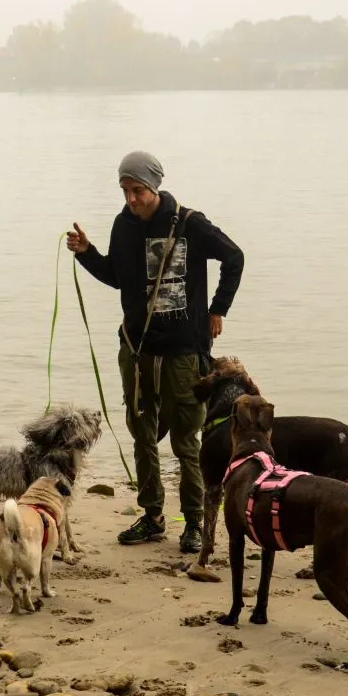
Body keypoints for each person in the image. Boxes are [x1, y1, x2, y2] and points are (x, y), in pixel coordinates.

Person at [67, 151, 245, 553]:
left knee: (186, 440)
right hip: (136, 348)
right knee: (142, 435)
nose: (131, 199)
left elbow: (234, 257)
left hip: (184, 351)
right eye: (126, 190)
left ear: (155, 186)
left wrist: (218, 308)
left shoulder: (189, 223)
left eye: (138, 191)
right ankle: (152, 516)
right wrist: (87, 253)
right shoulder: (123, 225)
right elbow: (117, 277)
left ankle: (194, 523)